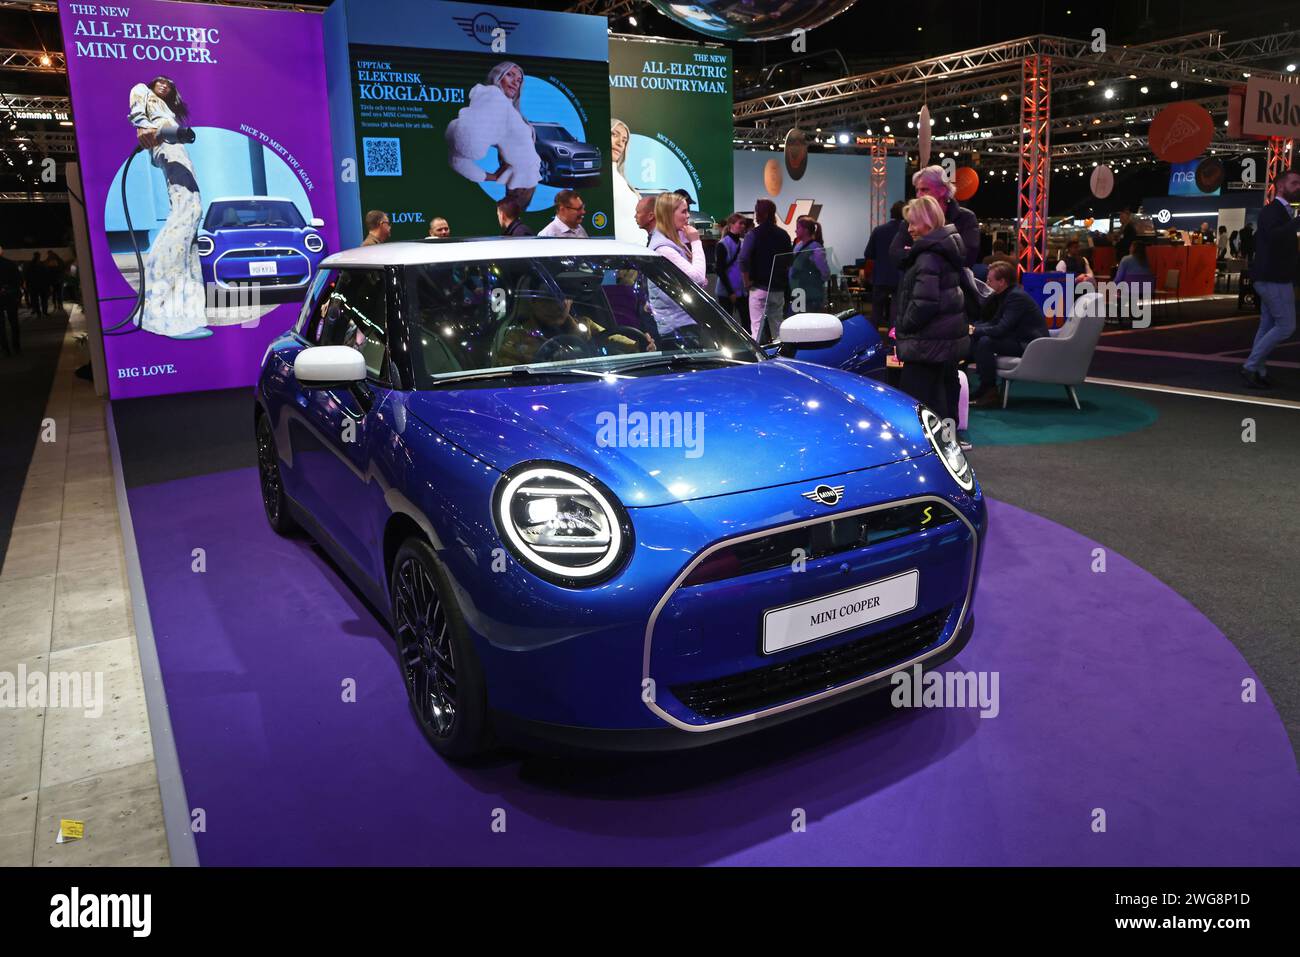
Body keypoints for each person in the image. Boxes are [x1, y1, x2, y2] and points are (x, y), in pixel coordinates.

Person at [128, 75, 210, 338]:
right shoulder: (142, 90)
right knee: (187, 211)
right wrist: (142, 126)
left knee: (191, 220)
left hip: (177, 150)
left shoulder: (168, 110)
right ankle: (158, 305)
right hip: (166, 148)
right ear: (153, 83)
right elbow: (138, 114)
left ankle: (187, 311)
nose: (164, 84)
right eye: (160, 81)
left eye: (169, 83)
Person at [893, 195, 970, 423]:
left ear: (927, 221)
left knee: (917, 408)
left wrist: (904, 326)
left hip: (926, 345)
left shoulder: (928, 256)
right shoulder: (944, 251)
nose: (909, 229)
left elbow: (924, 304)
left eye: (913, 223)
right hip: (942, 343)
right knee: (942, 403)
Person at [444, 61, 540, 211]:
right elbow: (458, 159)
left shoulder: (508, 109)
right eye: (510, 75)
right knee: (516, 229)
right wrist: (488, 176)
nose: (516, 82)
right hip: (519, 187)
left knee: (517, 229)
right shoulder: (494, 98)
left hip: (525, 184)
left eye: (519, 80)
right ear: (498, 76)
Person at [1241, 169, 1300, 389]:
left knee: (1267, 326)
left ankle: (1258, 370)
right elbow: (1275, 237)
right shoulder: (1272, 211)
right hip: (1273, 278)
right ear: (1281, 186)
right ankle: (1250, 366)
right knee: (1286, 326)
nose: (1299, 187)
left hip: (1273, 277)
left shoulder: (1281, 212)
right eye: (1295, 183)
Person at [968, 261, 1048, 407]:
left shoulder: (1015, 297)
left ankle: (990, 390)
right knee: (979, 338)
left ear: (1002, 282)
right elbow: (993, 322)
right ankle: (985, 388)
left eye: (990, 280)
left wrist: (974, 330)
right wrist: (972, 328)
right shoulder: (1006, 294)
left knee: (986, 342)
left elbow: (1000, 329)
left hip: (1031, 345)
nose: (987, 282)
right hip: (1019, 339)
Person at [890, 165, 979, 269]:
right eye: (917, 190)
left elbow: (966, 258)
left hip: (951, 283)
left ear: (942, 190)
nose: (919, 195)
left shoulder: (966, 218)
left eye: (924, 190)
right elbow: (896, 254)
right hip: (915, 282)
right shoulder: (911, 219)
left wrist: (916, 251)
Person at [646, 192, 704, 335]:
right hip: (678, 328)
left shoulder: (670, 244)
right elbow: (698, 278)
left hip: (680, 323)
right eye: (684, 211)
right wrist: (696, 241)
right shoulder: (664, 249)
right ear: (668, 214)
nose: (688, 215)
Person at [738, 198, 792, 342]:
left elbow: (743, 259)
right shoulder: (784, 235)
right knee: (778, 330)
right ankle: (780, 357)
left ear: (765, 214)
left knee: (756, 329)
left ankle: (758, 360)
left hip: (759, 287)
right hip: (778, 288)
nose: (755, 215)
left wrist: (746, 281)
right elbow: (788, 261)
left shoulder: (753, 234)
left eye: (758, 212)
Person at [863, 201, 905, 328]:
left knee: (876, 313)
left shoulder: (879, 230)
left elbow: (868, 253)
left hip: (880, 278)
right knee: (896, 313)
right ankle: (893, 344)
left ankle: (873, 342)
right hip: (900, 278)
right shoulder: (907, 231)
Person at [610, 118, 643, 243]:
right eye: (614, 135)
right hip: (615, 253)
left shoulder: (621, 179)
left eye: (624, 141)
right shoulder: (594, 176)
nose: (620, 143)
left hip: (637, 252)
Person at [789, 215, 829, 313]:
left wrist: (814, 281)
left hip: (811, 296)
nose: (795, 230)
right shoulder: (798, 246)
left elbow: (825, 273)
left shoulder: (816, 248)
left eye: (798, 227)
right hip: (798, 292)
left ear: (806, 230)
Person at [0, 246, 20, 356]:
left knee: (1, 325)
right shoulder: (10, 264)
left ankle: (5, 348)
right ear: (2, 252)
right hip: (10, 296)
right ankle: (16, 346)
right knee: (14, 323)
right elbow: (18, 280)